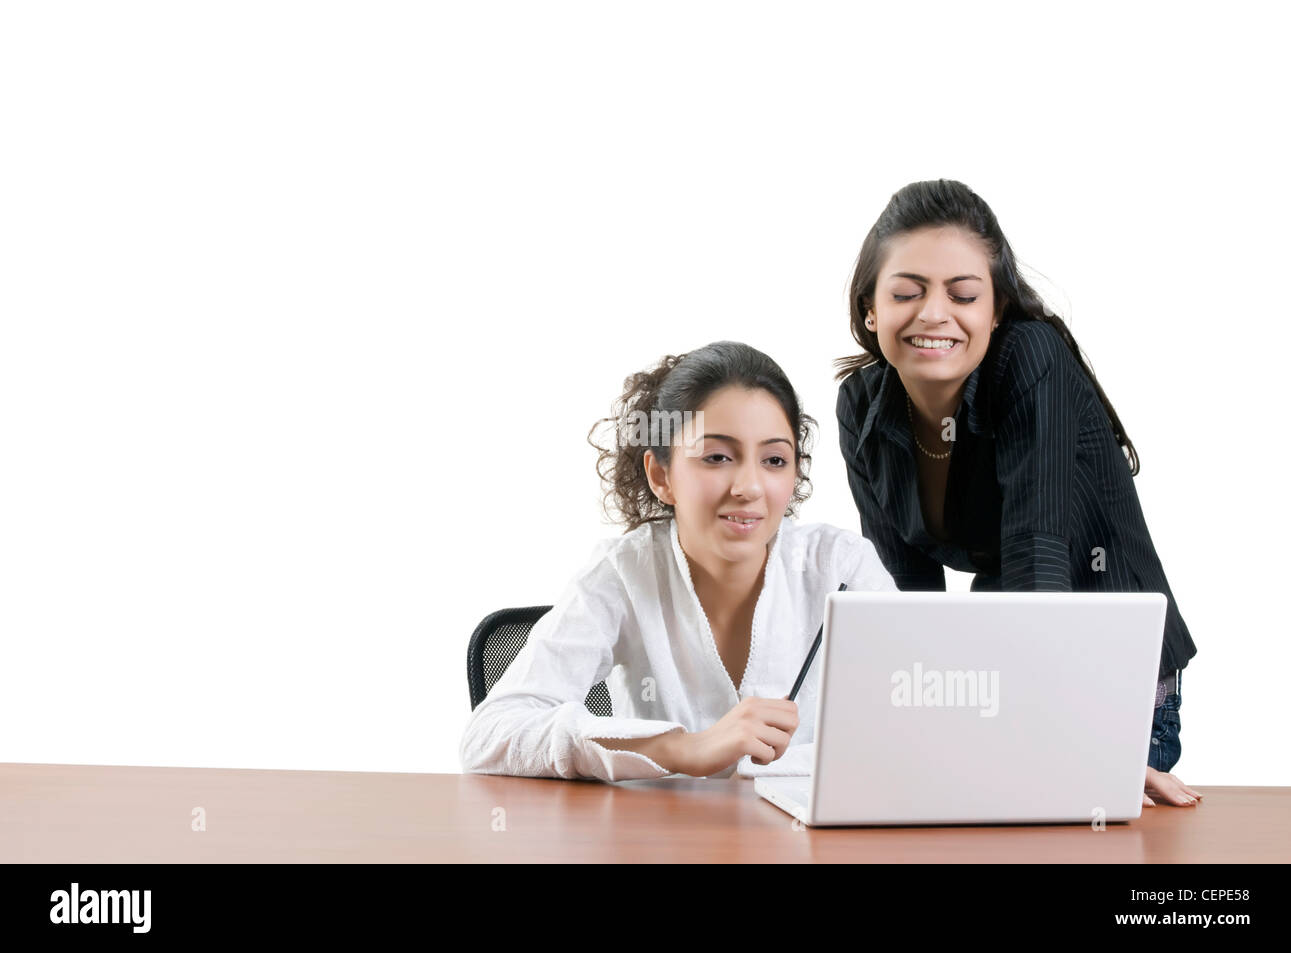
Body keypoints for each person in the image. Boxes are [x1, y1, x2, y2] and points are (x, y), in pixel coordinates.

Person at [834, 179, 1201, 807]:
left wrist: (1079, 743)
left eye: (963, 294)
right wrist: (904, 731)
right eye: (906, 292)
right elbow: (900, 594)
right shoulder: (862, 404)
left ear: (995, 309)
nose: (933, 314)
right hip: (1008, 663)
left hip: (1107, 677)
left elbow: (1039, 555)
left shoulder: (1031, 357)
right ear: (871, 309)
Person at [459, 341, 896, 782]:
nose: (749, 486)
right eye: (717, 457)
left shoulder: (842, 567)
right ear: (661, 476)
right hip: (657, 844)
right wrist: (683, 748)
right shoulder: (624, 573)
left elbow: (919, 721)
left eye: (774, 460)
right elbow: (490, 735)